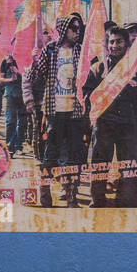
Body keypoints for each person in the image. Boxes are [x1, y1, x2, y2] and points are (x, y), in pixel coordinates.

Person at [23, 13, 88, 208]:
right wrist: (34, 59)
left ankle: (71, 196)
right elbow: (35, 75)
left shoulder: (81, 51)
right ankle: (45, 194)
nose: (77, 33)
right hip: (54, 111)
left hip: (75, 112)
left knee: (75, 155)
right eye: (73, 29)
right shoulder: (51, 50)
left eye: (79, 29)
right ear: (63, 30)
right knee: (50, 154)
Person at [82, 25, 137, 208]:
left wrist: (132, 85)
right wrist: (103, 88)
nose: (114, 46)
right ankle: (97, 199)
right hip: (104, 122)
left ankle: (125, 199)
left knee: (128, 165)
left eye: (119, 42)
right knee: (100, 163)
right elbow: (86, 95)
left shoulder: (134, 67)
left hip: (127, 123)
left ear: (127, 43)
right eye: (111, 42)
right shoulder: (98, 68)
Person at [0, 54, 25, 155]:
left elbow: (31, 75)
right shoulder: (5, 60)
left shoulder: (24, 57)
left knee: (22, 121)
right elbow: (0, 79)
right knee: (10, 120)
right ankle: (10, 147)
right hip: (10, 94)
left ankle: (19, 145)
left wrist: (18, 72)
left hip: (23, 93)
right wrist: (10, 79)